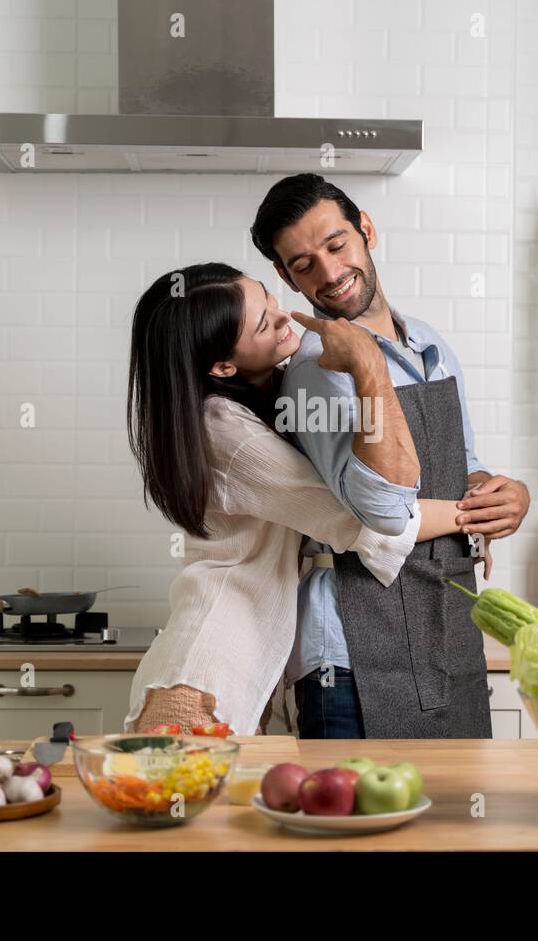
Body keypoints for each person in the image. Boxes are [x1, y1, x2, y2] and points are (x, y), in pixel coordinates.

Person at [122, 262, 476, 736]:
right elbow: (363, 521)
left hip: (240, 661)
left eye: (269, 299)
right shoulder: (224, 431)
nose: (285, 317)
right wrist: (474, 514)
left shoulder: (276, 390)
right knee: (172, 804)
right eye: (265, 323)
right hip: (200, 676)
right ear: (222, 365)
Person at [250, 174, 532, 739]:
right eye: (303, 265)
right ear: (284, 276)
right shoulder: (315, 373)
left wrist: (504, 495)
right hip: (355, 653)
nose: (329, 274)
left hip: (445, 627)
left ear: (366, 230)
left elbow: (463, 466)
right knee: (361, 823)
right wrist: (365, 364)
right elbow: (380, 509)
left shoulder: (429, 343)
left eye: (336, 246)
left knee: (454, 823)